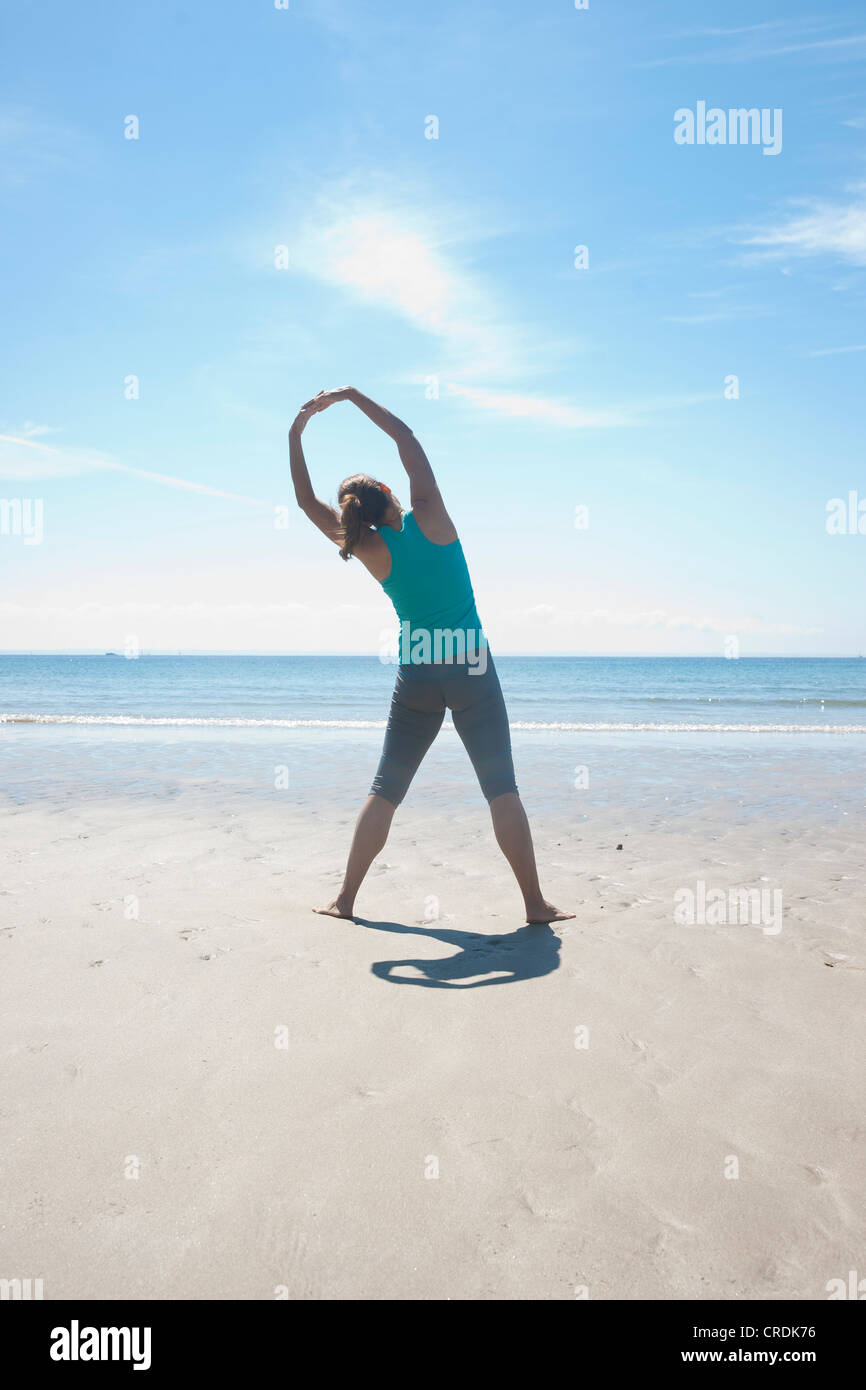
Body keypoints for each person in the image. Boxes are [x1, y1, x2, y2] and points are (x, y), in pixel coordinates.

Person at [289, 386, 574, 925]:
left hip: (417, 672)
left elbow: (306, 503)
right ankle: (535, 905)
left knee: (385, 790)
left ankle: (345, 901)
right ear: (390, 493)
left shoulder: (367, 547)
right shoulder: (430, 515)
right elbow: (406, 437)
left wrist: (296, 433)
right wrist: (350, 397)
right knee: (501, 788)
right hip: (469, 665)